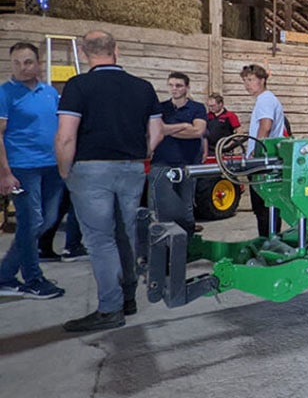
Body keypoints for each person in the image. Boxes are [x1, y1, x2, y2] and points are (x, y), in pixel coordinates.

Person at [56, 31, 163, 332]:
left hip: (91, 170)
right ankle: (128, 297)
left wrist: (65, 170)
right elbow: (155, 134)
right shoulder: (142, 87)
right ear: (116, 49)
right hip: (131, 169)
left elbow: (66, 136)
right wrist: (143, 155)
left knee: (100, 240)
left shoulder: (78, 86)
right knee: (125, 234)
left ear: (85, 52)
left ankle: (110, 309)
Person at [0, 42, 65, 299]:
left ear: (38, 63)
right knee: (31, 221)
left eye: (27, 62)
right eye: (16, 63)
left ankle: (5, 275)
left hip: (51, 166)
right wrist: (5, 173)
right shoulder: (5, 93)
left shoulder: (49, 93)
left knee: (46, 220)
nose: (22, 68)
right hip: (23, 167)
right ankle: (33, 279)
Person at [148, 72, 205, 238]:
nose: (174, 89)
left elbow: (197, 131)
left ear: (187, 87)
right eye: (171, 85)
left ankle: (186, 244)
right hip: (162, 162)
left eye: (179, 85)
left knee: (185, 205)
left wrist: (167, 130)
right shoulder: (160, 107)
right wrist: (184, 126)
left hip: (188, 163)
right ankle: (160, 241)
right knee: (158, 204)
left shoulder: (197, 108)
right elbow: (155, 130)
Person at [241, 64, 284, 238]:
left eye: (250, 80)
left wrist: (256, 153)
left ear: (262, 80)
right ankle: (269, 240)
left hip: (262, 162)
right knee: (265, 208)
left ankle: (269, 241)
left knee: (265, 208)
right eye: (245, 81)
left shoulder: (265, 99)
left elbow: (266, 126)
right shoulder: (265, 99)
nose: (247, 84)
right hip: (264, 160)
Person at [204, 92, 240, 157]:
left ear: (220, 104)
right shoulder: (207, 116)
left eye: (213, 106)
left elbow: (239, 132)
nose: (210, 108)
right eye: (209, 106)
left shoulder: (230, 116)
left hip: (224, 150)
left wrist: (229, 145)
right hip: (209, 150)